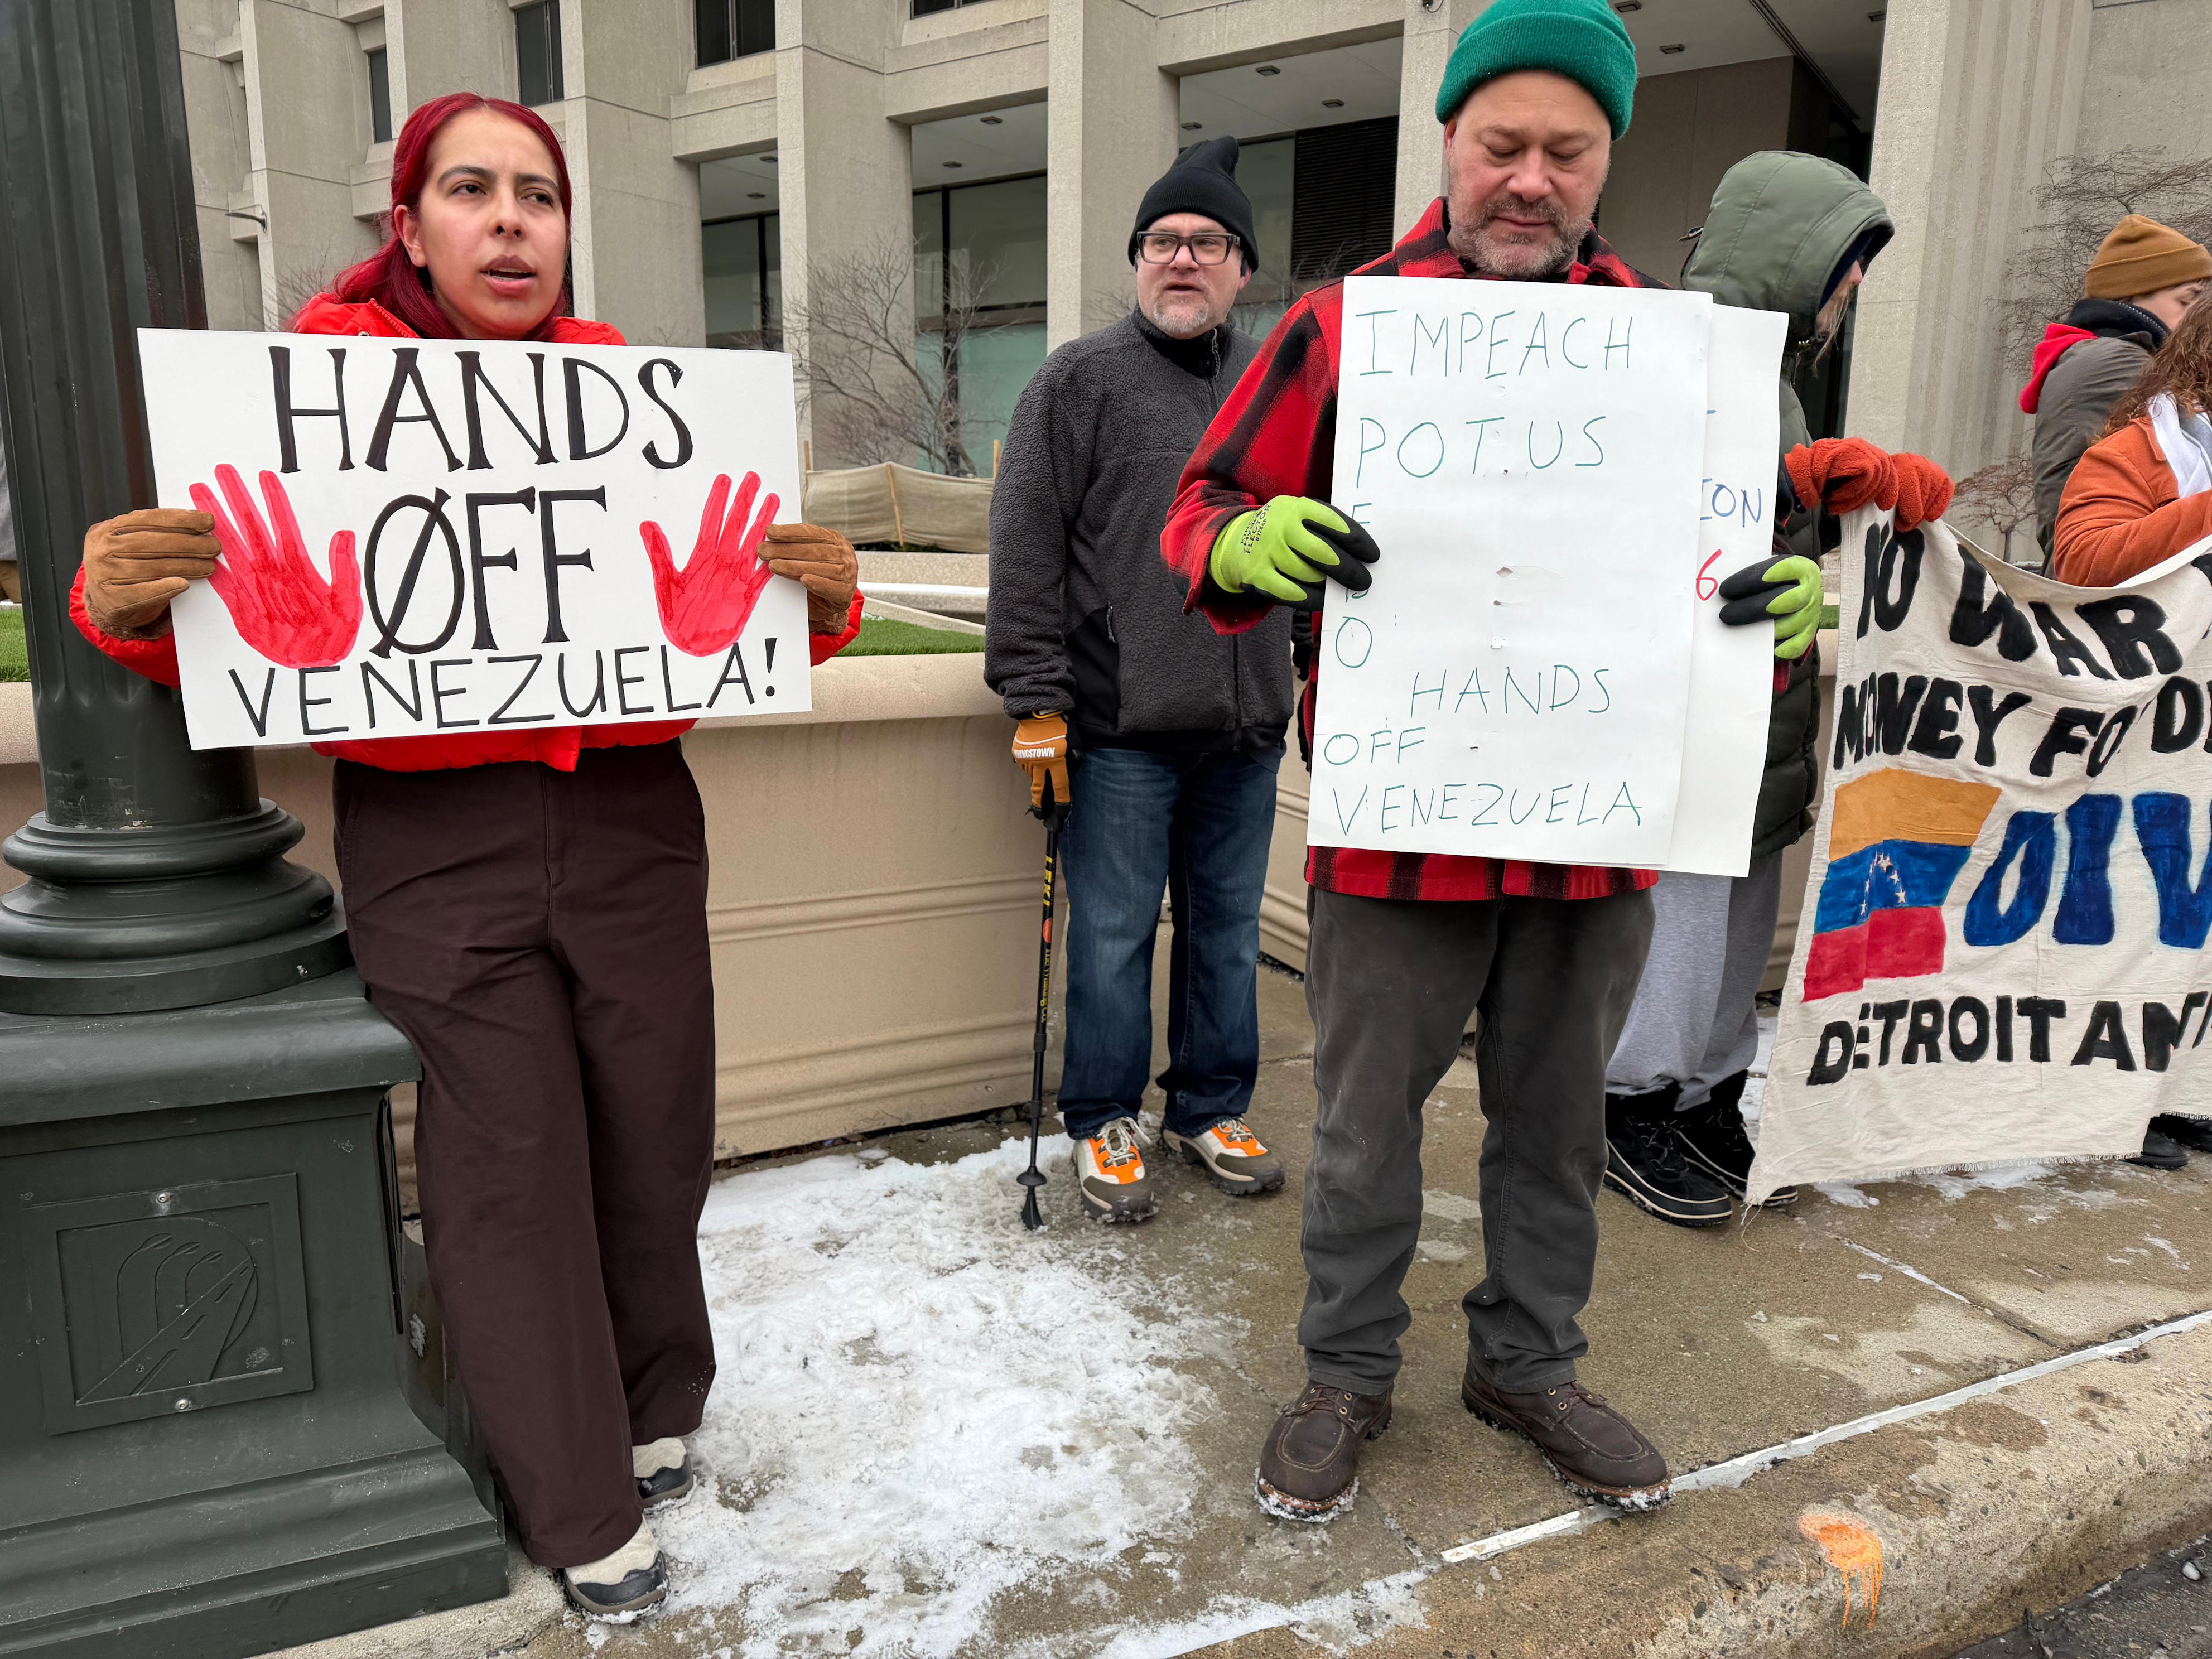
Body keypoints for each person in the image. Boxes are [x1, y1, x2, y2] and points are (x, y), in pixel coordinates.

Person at [69, 93, 861, 1619]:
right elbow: (245, 640)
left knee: (653, 1132)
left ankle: (651, 1395)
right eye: (472, 190)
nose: (511, 220)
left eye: (539, 196)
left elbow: (718, 621)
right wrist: (126, 605)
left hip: (633, 822)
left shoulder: (629, 394)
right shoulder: (304, 400)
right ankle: (578, 1502)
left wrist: (811, 601)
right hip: (440, 839)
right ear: (411, 225)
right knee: (507, 1172)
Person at [1160, 0, 1679, 1522]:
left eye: (1563, 151)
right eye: (1498, 144)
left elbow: (1727, 555)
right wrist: (1242, 542)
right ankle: (1344, 1370)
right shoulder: (1343, 327)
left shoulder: (1663, 341)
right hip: (1403, 822)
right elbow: (1200, 508)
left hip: (1594, 823)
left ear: (1603, 161)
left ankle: (1527, 1360)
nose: (1528, 178)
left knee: (1558, 1118)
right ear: (1445, 143)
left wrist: (1772, 599)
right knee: (1364, 1121)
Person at [986, 138, 1289, 1223]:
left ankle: (1208, 1103)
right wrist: (1032, 701)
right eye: (1160, 241)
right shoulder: (1075, 380)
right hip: (1115, 724)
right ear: (1134, 260)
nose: (1180, 259)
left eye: (1205, 242)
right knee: (1111, 932)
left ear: (1239, 268)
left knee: (1224, 927)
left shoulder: (1273, 386)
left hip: (1245, 720)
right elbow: (1021, 544)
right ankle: (1102, 1115)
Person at [1601, 151, 1896, 1226]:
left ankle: (1704, 1091)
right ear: (1797, 254)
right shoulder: (1686, 362)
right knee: (1682, 924)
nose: (1852, 287)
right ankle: (1630, 1104)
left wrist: (1814, 502)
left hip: (1761, 715)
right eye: (1846, 264)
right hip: (1692, 718)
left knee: (1736, 921)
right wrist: (1793, 494)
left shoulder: (1773, 373)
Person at [2050, 296, 2212, 1171]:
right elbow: (2083, 558)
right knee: (2132, 917)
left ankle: (2181, 1088)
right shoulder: (2138, 451)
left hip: (2204, 749)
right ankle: (2113, 1100)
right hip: (2142, 742)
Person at [2023, 214, 2210, 562]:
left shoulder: (2100, 354)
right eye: (2186, 301)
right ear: (2135, 293)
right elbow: (2163, 475)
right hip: (2113, 573)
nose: (2194, 318)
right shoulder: (2120, 361)